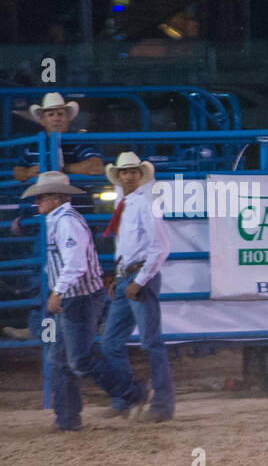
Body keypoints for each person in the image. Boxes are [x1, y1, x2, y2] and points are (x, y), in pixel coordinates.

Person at [23, 171, 143, 432]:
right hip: (73, 299)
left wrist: (57, 291)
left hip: (78, 299)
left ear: (56, 198)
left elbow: (75, 263)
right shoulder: (61, 220)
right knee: (61, 360)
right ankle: (67, 420)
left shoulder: (66, 222)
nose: (37, 203)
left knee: (78, 360)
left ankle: (132, 393)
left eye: (41, 197)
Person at [99, 152, 174, 423]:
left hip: (140, 278)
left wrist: (139, 280)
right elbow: (127, 246)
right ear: (119, 176)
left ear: (140, 175)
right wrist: (119, 278)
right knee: (111, 342)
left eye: (133, 172)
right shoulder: (126, 201)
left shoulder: (145, 203)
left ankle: (162, 406)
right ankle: (129, 396)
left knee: (150, 342)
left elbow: (161, 246)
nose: (129, 176)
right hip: (127, 278)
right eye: (125, 172)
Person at [12, 93, 105, 184]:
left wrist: (61, 168)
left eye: (60, 114)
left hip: (76, 196)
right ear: (42, 121)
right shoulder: (32, 146)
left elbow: (97, 167)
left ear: (68, 118)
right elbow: (18, 172)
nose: (56, 118)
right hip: (43, 197)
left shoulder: (78, 143)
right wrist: (28, 172)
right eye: (51, 115)